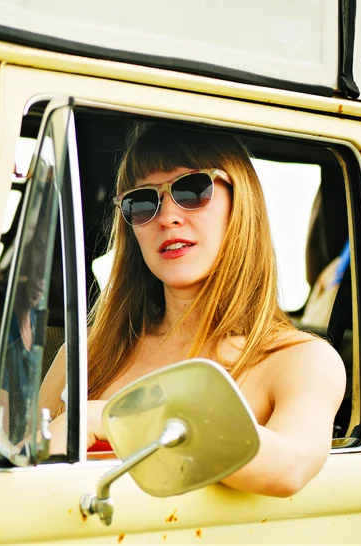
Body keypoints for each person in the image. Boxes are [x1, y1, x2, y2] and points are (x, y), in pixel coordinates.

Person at [40, 122, 345, 498]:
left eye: (192, 189)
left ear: (240, 203)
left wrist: (108, 418)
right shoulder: (84, 353)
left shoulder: (300, 359)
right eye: (143, 201)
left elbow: (290, 468)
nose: (167, 216)